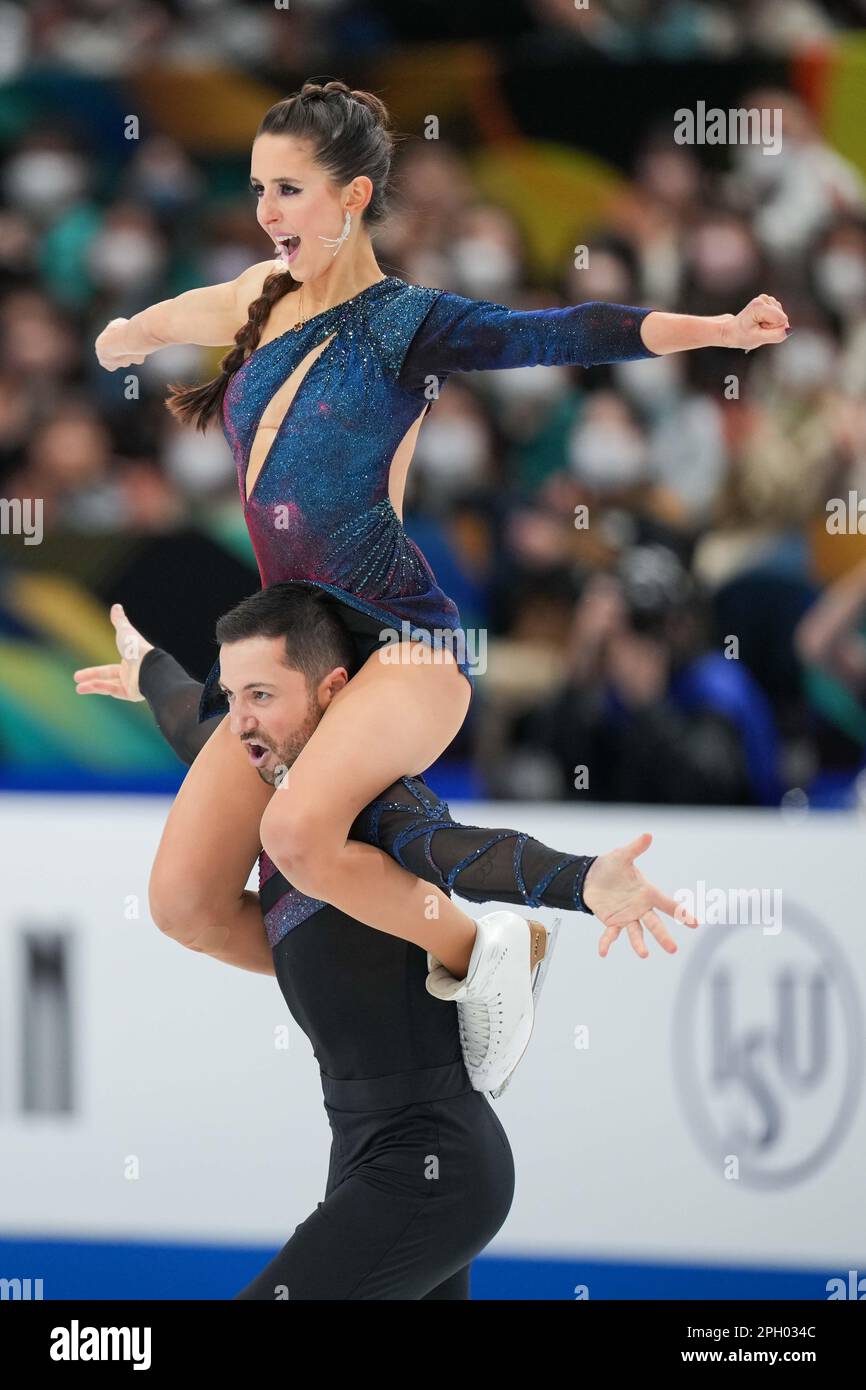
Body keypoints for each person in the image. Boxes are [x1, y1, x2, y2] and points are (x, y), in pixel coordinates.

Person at [92, 79, 788, 1104]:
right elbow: (172, 316)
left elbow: (559, 330)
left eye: (289, 189)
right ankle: (405, 970)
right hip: (294, 648)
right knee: (186, 902)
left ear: (354, 195)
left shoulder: (405, 323)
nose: (267, 212)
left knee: (293, 836)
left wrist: (712, 329)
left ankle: (483, 942)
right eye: (257, 190)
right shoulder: (257, 298)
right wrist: (127, 337)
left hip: (398, 644)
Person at [74, 591, 697, 1299]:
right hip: (373, 1158)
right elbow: (200, 726)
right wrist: (150, 671)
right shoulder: (270, 769)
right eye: (232, 693)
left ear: (332, 691)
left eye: (262, 694)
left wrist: (582, 880)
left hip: (428, 1166)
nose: (239, 719)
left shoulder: (371, 806)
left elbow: (455, 850)